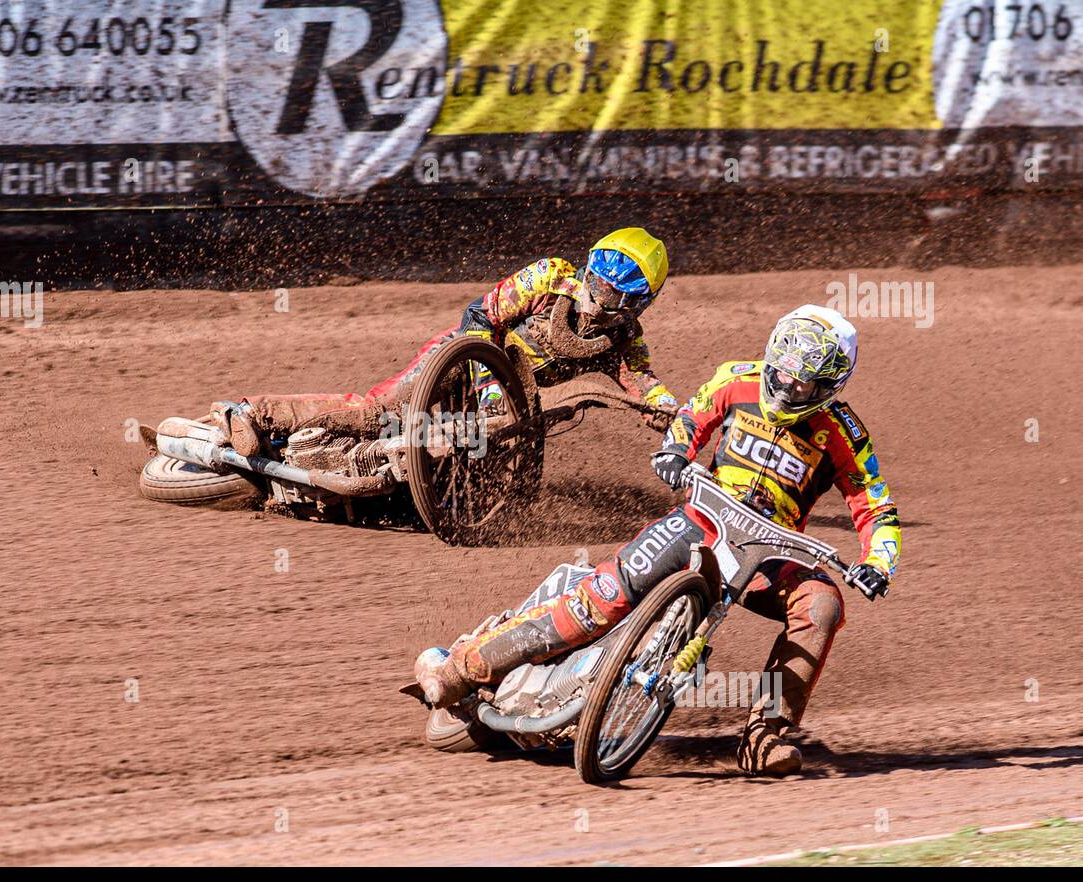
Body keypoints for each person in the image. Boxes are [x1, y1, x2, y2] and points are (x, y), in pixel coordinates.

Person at [414, 305, 901, 776]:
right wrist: (675, 451)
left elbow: (876, 506)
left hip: (769, 553)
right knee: (601, 601)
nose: (789, 386)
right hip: (700, 517)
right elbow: (692, 416)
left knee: (822, 607)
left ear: (830, 386)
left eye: (804, 382)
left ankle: (764, 734)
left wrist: (878, 561)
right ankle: (460, 669)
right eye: (783, 372)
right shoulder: (737, 378)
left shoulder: (843, 433)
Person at [205, 228, 681, 456]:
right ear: (587, 271)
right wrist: (492, 386)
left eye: (617, 298)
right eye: (597, 286)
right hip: (459, 360)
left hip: (503, 411)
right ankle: (248, 412)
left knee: (468, 452)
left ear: (640, 304)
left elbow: (644, 381)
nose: (600, 304)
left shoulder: (625, 340)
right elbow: (478, 315)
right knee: (381, 414)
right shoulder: (549, 278)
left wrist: (672, 414)